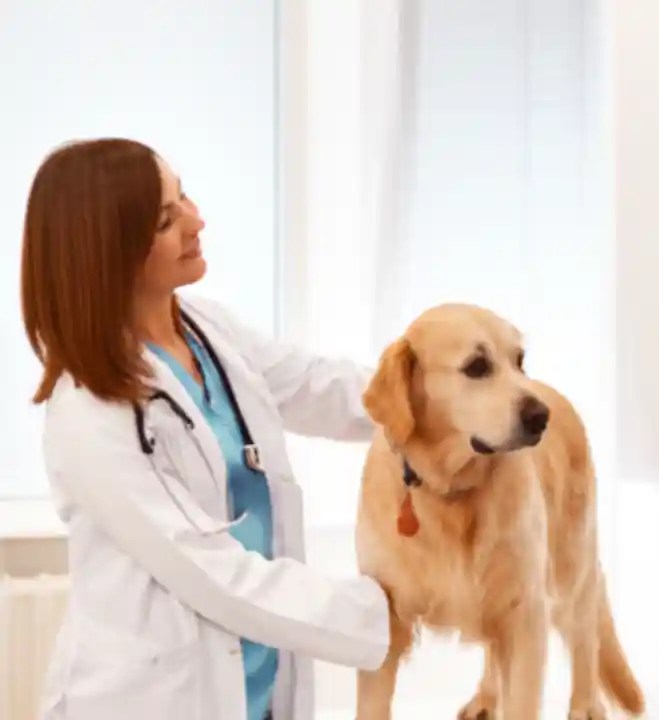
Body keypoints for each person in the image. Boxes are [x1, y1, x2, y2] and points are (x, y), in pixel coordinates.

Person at [20, 138, 391, 720]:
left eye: (184, 195)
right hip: (153, 700)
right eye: (167, 219)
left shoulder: (208, 332)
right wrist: (383, 610)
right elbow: (208, 570)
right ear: (111, 250)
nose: (197, 220)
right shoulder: (88, 411)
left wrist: (444, 402)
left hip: (258, 688)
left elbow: (321, 388)